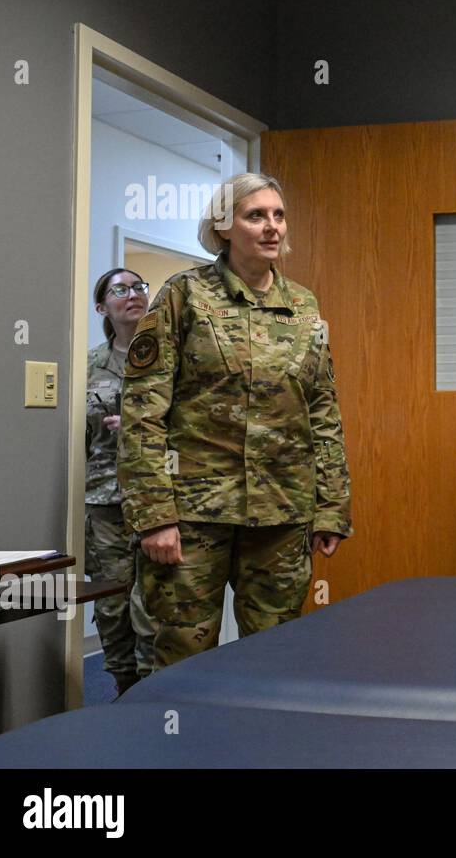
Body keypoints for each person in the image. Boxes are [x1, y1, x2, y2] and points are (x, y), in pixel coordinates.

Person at [118, 172, 353, 670]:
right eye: (255, 216)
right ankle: (177, 746)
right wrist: (154, 515)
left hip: (282, 515)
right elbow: (143, 408)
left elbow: (323, 409)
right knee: (182, 659)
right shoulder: (184, 296)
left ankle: (266, 747)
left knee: (276, 658)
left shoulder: (303, 306)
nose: (272, 227)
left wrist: (332, 505)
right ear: (223, 227)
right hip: (194, 514)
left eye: (278, 215)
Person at [84, 268, 156, 694]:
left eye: (139, 287)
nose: (134, 294)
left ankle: (154, 694)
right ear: (102, 307)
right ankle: (123, 690)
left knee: (154, 605)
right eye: (121, 290)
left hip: (159, 502)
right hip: (106, 502)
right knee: (112, 604)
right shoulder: (90, 363)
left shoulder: (169, 356)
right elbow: (83, 438)